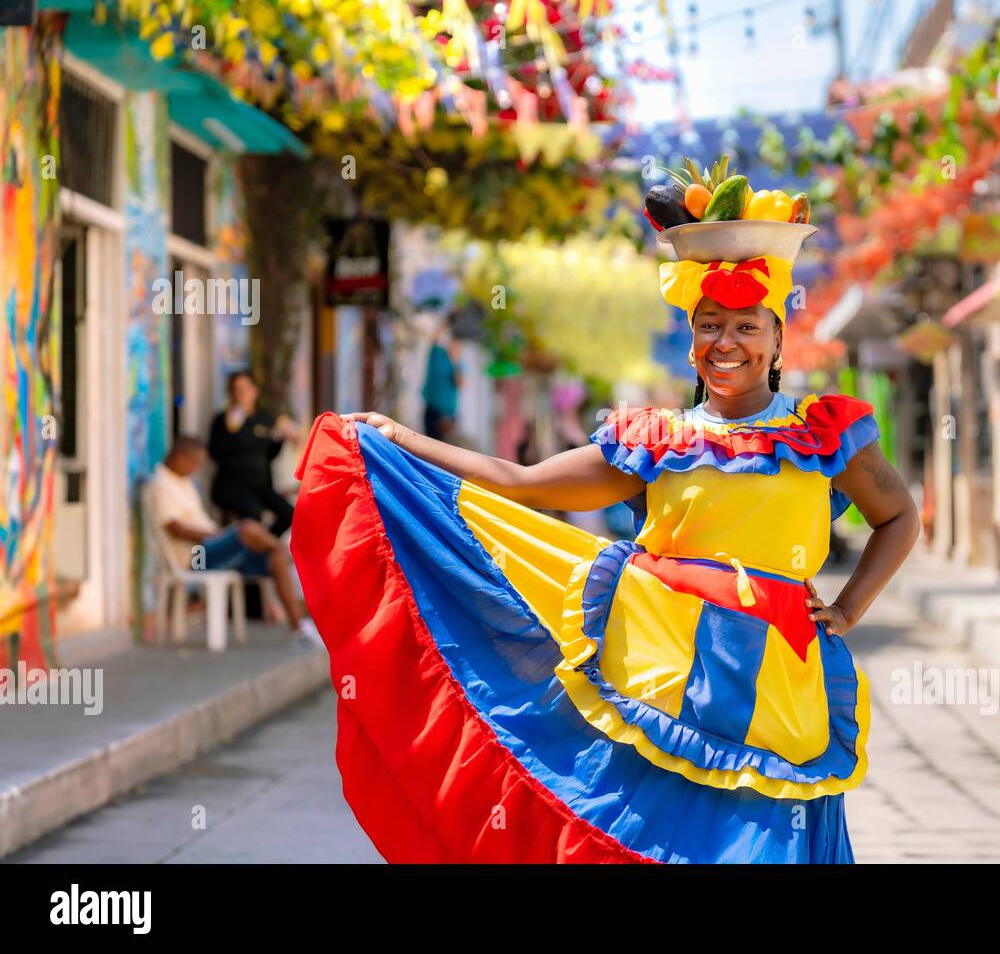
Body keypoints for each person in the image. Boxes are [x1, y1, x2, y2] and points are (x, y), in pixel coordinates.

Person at [290, 208, 919, 864]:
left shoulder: (824, 434)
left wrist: (848, 607)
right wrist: (403, 439)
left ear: (778, 340)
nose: (726, 341)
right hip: (665, 665)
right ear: (691, 342)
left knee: (762, 837)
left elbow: (898, 515)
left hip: (780, 679)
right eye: (709, 325)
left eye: (744, 326)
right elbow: (524, 481)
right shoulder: (660, 439)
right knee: (662, 834)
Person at [148, 435, 322, 650]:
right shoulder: (161, 484)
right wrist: (217, 536)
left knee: (274, 560)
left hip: (211, 550)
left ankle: (300, 631)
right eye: (194, 463)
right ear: (180, 457)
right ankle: (289, 554)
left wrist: (220, 536)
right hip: (195, 557)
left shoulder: (183, 483)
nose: (195, 468)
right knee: (247, 528)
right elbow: (177, 529)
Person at [207, 371, 298, 537]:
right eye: (237, 389)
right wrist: (233, 431)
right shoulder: (223, 420)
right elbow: (215, 452)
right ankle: (250, 551)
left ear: (255, 391)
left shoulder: (264, 418)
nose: (242, 394)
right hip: (232, 484)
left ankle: (262, 549)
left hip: (260, 483)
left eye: (246, 389)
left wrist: (280, 439)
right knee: (253, 515)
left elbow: (269, 455)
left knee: (289, 514)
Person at [421, 323, 459, 438]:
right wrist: (447, 322)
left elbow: (460, 383)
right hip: (432, 408)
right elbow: (434, 338)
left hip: (446, 413)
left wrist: (455, 362)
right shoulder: (437, 353)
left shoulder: (457, 362)